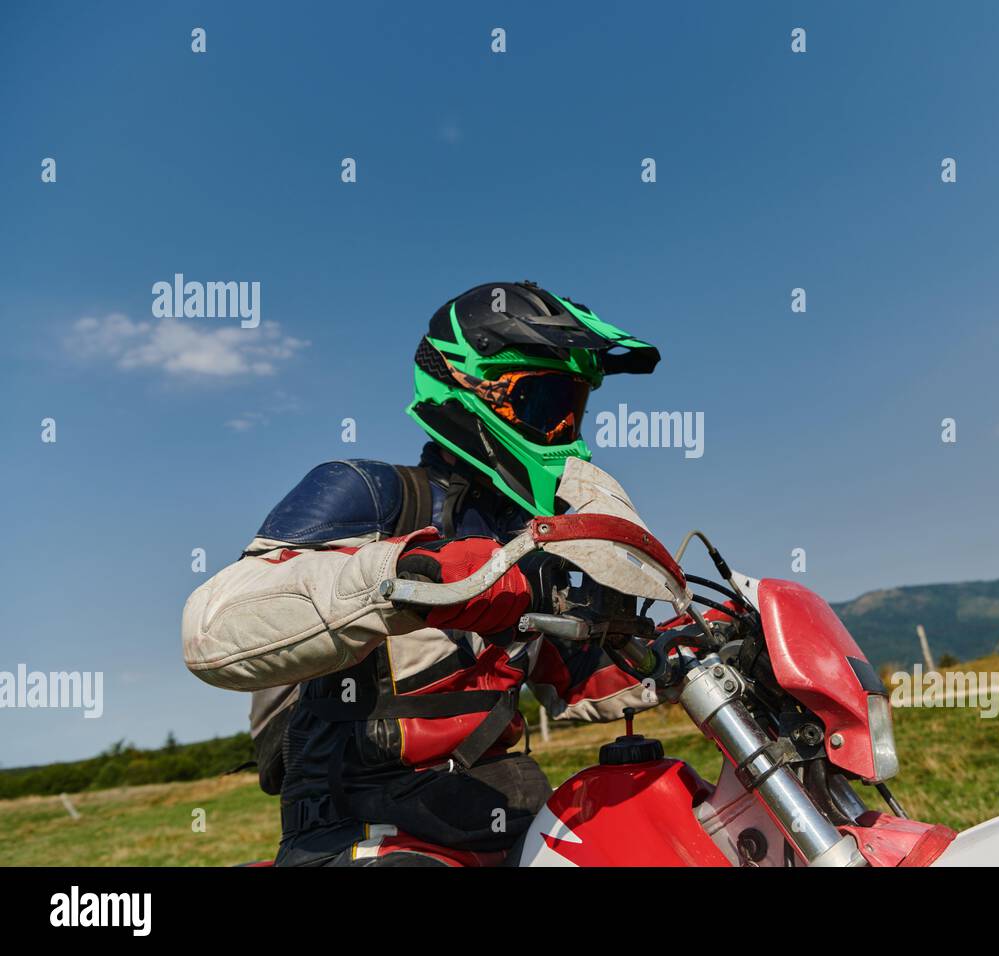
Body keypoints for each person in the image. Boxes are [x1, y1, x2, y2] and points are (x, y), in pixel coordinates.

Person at [182, 280, 661, 865]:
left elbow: (594, 678)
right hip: (362, 826)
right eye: (542, 405)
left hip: (498, 808)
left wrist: (694, 647)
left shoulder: (534, 539)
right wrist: (411, 577)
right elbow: (211, 629)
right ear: (462, 384)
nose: (564, 433)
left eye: (572, 409)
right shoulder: (370, 494)